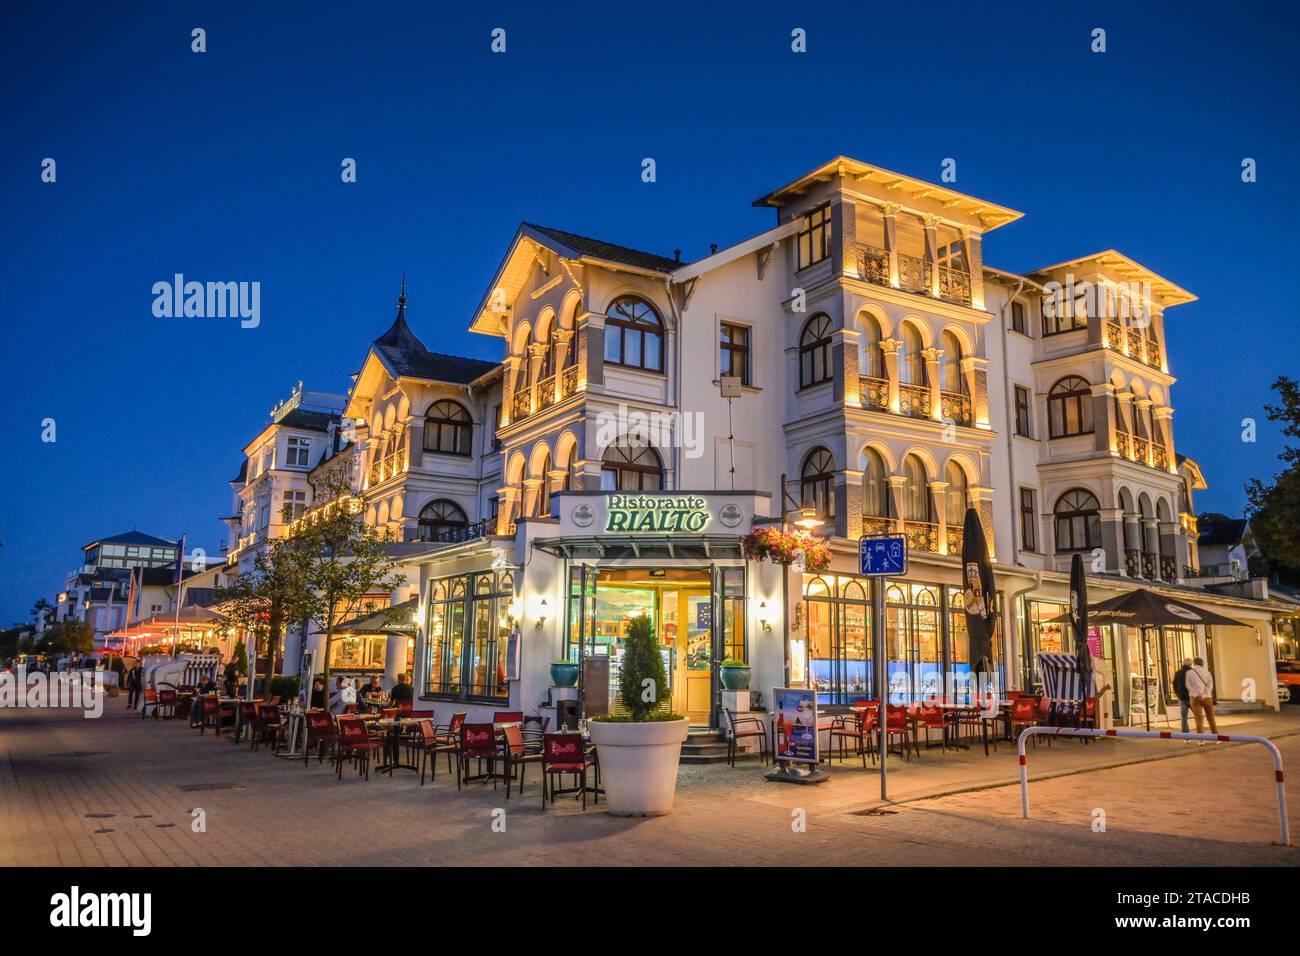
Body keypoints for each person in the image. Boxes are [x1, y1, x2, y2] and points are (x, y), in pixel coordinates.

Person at [1186, 656, 1218, 741]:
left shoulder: (1189, 673)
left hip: (1194, 698)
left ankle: (1201, 740)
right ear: (1202, 663)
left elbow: (1188, 686)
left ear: (1194, 663)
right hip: (1207, 697)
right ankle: (1216, 737)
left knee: (1198, 719)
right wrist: (1204, 694)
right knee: (1210, 717)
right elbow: (1210, 685)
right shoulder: (1207, 672)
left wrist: (1196, 694)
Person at [1173, 658, 1193, 735]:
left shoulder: (1178, 673)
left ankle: (1186, 736)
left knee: (1184, 718)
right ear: (1191, 664)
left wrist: (1178, 694)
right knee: (1198, 717)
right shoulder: (1192, 672)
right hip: (1192, 697)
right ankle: (1201, 736)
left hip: (1182, 698)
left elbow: (1174, 684)